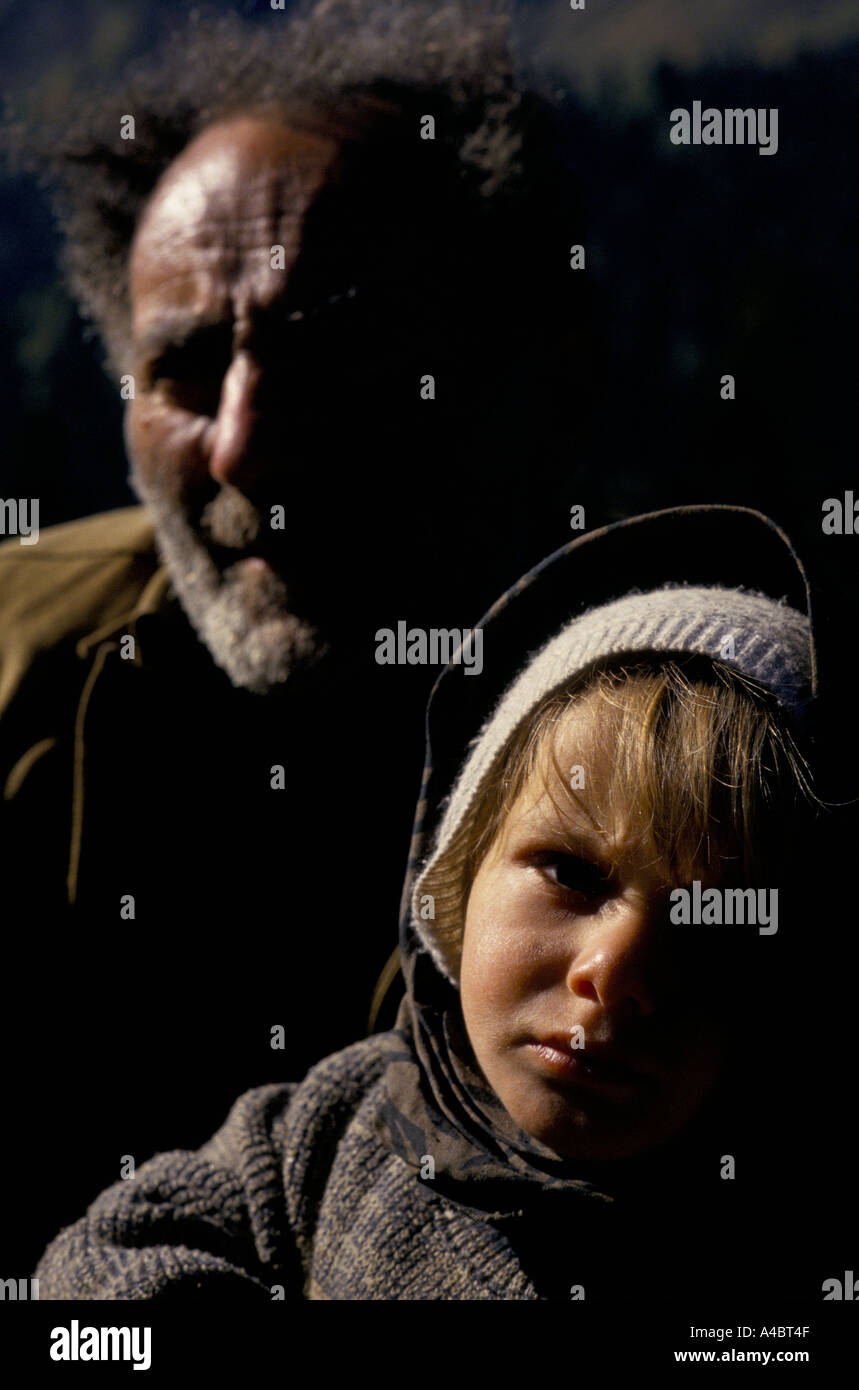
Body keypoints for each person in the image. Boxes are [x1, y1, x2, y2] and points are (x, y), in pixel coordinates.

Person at [34, 504, 854, 1301]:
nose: (615, 971)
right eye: (571, 873)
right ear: (457, 883)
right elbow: (100, 1260)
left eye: (709, 926)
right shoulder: (339, 1120)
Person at [0, 2, 585, 1065]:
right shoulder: (12, 667)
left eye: (328, 352)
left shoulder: (680, 750)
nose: (239, 447)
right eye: (181, 370)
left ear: (498, 373)